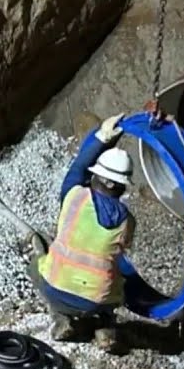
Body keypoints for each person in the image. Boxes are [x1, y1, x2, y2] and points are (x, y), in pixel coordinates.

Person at [30, 114, 136, 354]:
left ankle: (60, 318)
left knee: (35, 266)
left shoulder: (73, 195)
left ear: (95, 175)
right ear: (122, 185)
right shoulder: (127, 222)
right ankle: (105, 327)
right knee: (117, 277)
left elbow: (78, 166)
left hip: (56, 289)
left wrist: (103, 136)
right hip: (95, 302)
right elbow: (119, 256)